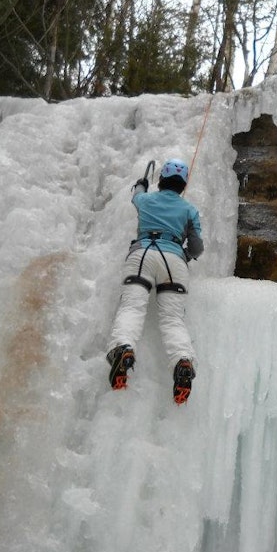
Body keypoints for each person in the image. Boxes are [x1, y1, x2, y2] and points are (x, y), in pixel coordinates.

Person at [106, 158, 204, 404]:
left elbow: (136, 196)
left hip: (143, 254)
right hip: (174, 262)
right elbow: (197, 247)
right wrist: (185, 255)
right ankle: (182, 361)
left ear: (161, 180)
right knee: (172, 318)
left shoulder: (146, 200)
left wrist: (141, 184)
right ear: (183, 185)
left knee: (132, 307)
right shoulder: (189, 210)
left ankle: (123, 348)